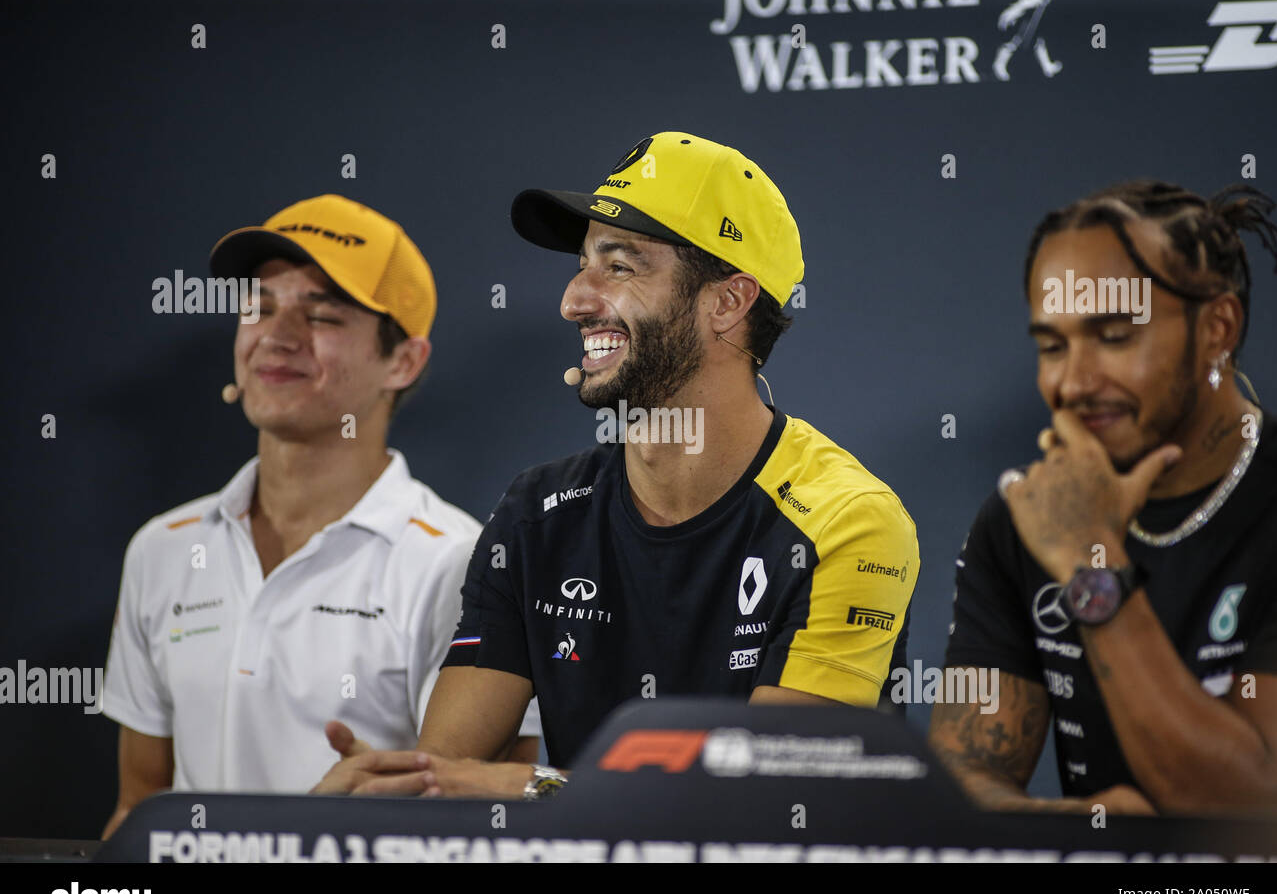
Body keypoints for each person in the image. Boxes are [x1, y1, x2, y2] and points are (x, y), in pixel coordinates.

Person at [313, 131, 920, 801]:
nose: (575, 298)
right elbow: (447, 770)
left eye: (619, 266)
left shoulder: (847, 520)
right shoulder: (534, 513)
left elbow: (765, 802)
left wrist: (527, 787)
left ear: (728, 302)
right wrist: (391, 790)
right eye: (581, 264)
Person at [102, 193, 538, 836]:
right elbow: (138, 808)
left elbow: (487, 819)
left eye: (324, 315)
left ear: (403, 360)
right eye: (260, 308)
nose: (276, 337)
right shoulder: (162, 548)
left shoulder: (458, 562)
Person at [929, 181, 1277, 815]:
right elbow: (964, 775)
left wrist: (1091, 560)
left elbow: (1263, 805)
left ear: (1217, 328)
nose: (1072, 382)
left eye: (1115, 337)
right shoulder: (1025, 518)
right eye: (1052, 346)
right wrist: (1074, 831)